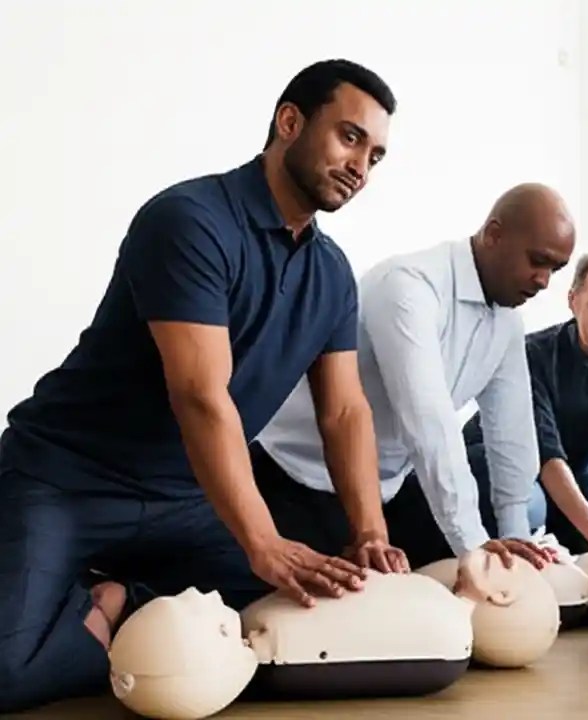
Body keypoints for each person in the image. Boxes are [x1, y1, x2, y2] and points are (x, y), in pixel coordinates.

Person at [0, 59, 399, 713]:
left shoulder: (331, 273)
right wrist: (261, 542)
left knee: (311, 620)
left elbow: (345, 411)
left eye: (376, 155)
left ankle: (127, 596)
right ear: (290, 122)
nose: (362, 165)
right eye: (350, 137)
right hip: (68, 480)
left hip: (186, 502)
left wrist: (370, 534)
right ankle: (97, 612)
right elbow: (199, 394)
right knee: (6, 671)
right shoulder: (188, 220)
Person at [251, 183, 576, 573]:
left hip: (393, 490)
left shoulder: (507, 323)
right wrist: (473, 548)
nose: (543, 280)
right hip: (297, 478)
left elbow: (512, 434)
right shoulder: (407, 285)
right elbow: (428, 426)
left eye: (554, 270)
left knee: (521, 505)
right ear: (493, 234)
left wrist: (518, 542)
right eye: (537, 261)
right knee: (346, 601)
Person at [462, 249, 588, 556]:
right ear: (573, 301)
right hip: (503, 464)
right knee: (534, 509)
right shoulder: (533, 354)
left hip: (576, 469)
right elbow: (546, 454)